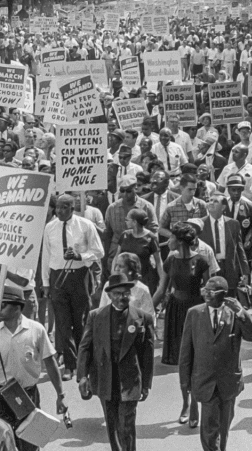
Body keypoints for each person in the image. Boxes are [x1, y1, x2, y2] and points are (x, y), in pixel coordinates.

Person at [0, 284, 66, 451]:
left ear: (18, 307)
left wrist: (61, 395)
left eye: (3, 305)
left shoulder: (36, 330)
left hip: (28, 396)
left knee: (31, 444)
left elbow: (50, 363)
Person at [178, 276, 252, 451]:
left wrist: (241, 312)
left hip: (228, 382)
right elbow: (186, 351)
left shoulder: (234, 314)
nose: (206, 294)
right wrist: (185, 382)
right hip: (205, 381)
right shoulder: (194, 313)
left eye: (211, 292)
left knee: (223, 427)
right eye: (205, 290)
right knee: (209, 430)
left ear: (223, 294)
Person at [77, 273, 155, 451]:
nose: (122, 297)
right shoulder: (96, 316)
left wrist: (146, 384)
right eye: (118, 294)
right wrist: (82, 376)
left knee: (127, 424)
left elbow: (147, 355)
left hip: (130, 380)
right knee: (112, 424)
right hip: (105, 379)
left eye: (126, 293)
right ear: (110, 295)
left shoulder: (143, 318)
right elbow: (85, 347)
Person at [153, 221, 216, 424]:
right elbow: (162, 289)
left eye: (171, 238)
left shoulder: (201, 261)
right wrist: (146, 310)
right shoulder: (169, 261)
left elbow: (209, 290)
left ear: (180, 241)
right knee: (183, 362)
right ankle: (185, 404)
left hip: (196, 312)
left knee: (196, 361)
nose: (168, 241)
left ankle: (196, 405)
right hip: (175, 311)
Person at [40, 193, 104, 382]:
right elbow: (46, 256)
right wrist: (45, 283)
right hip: (57, 277)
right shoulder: (49, 228)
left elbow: (99, 251)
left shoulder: (85, 225)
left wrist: (80, 256)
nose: (59, 211)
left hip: (79, 277)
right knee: (62, 323)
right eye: (57, 207)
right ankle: (70, 365)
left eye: (63, 207)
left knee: (81, 321)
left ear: (72, 208)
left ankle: (83, 363)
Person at [115, 211, 164, 295]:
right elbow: (117, 256)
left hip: (144, 278)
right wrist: (115, 273)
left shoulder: (151, 238)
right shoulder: (125, 235)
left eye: (127, 219)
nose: (125, 221)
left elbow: (158, 262)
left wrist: (162, 282)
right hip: (125, 278)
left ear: (134, 222)